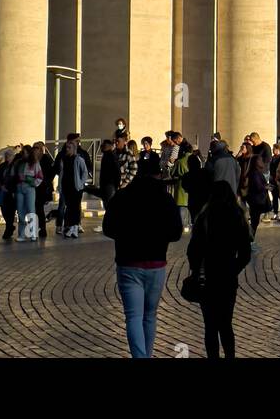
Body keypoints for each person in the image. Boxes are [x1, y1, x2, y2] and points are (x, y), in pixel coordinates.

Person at [102, 151, 183, 359]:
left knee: (133, 316)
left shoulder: (122, 196)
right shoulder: (165, 199)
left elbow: (108, 228)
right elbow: (176, 232)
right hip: (156, 262)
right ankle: (146, 354)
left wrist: (126, 234)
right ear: (158, 174)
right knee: (149, 315)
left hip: (128, 261)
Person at [187, 180, 252, 359]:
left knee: (210, 325)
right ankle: (230, 355)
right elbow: (245, 254)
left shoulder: (205, 217)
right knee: (226, 324)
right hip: (228, 277)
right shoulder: (238, 216)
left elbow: (193, 250)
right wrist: (233, 269)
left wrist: (196, 269)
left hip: (207, 276)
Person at [55, 138, 89, 238]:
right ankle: (70, 226)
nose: (67, 149)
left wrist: (81, 183)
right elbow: (62, 173)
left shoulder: (79, 159)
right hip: (66, 187)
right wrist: (60, 185)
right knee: (69, 208)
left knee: (75, 207)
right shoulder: (64, 159)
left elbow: (85, 172)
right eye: (66, 148)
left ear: (74, 148)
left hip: (76, 187)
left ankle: (75, 227)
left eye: (69, 148)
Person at [14, 146, 43, 241]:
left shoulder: (35, 163)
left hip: (30, 188)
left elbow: (39, 177)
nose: (24, 154)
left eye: (25, 152)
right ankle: (21, 234)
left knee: (31, 210)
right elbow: (14, 175)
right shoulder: (19, 163)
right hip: (19, 188)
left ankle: (32, 232)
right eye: (23, 152)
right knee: (20, 211)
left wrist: (30, 181)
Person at [99, 139, 119, 209]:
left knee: (109, 207)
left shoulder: (110, 156)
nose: (101, 147)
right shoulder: (107, 156)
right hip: (107, 185)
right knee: (108, 206)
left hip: (109, 185)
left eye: (104, 145)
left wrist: (116, 185)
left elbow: (116, 171)